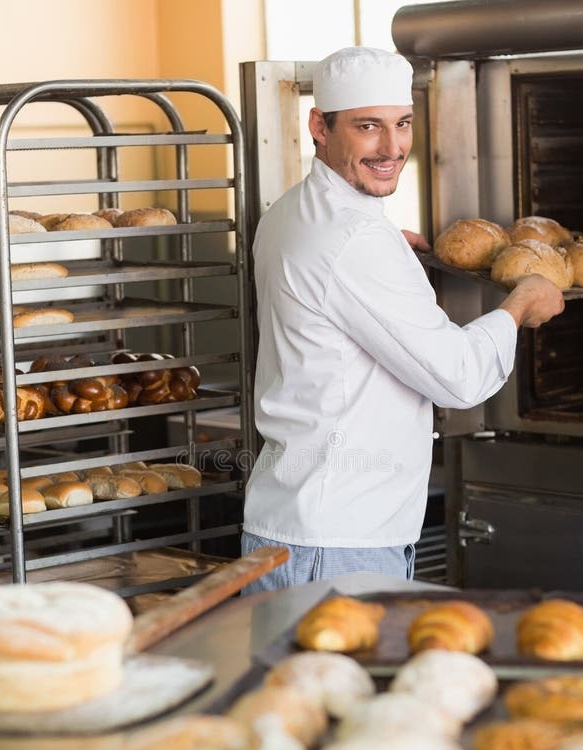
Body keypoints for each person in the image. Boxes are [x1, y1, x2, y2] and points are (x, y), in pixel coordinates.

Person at [240, 46, 564, 594]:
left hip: (303, 530)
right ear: (319, 125)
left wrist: (390, 256)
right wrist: (520, 304)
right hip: (337, 544)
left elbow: (334, 277)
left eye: (403, 124)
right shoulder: (357, 239)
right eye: (369, 127)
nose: (392, 147)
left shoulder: (291, 211)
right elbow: (458, 378)